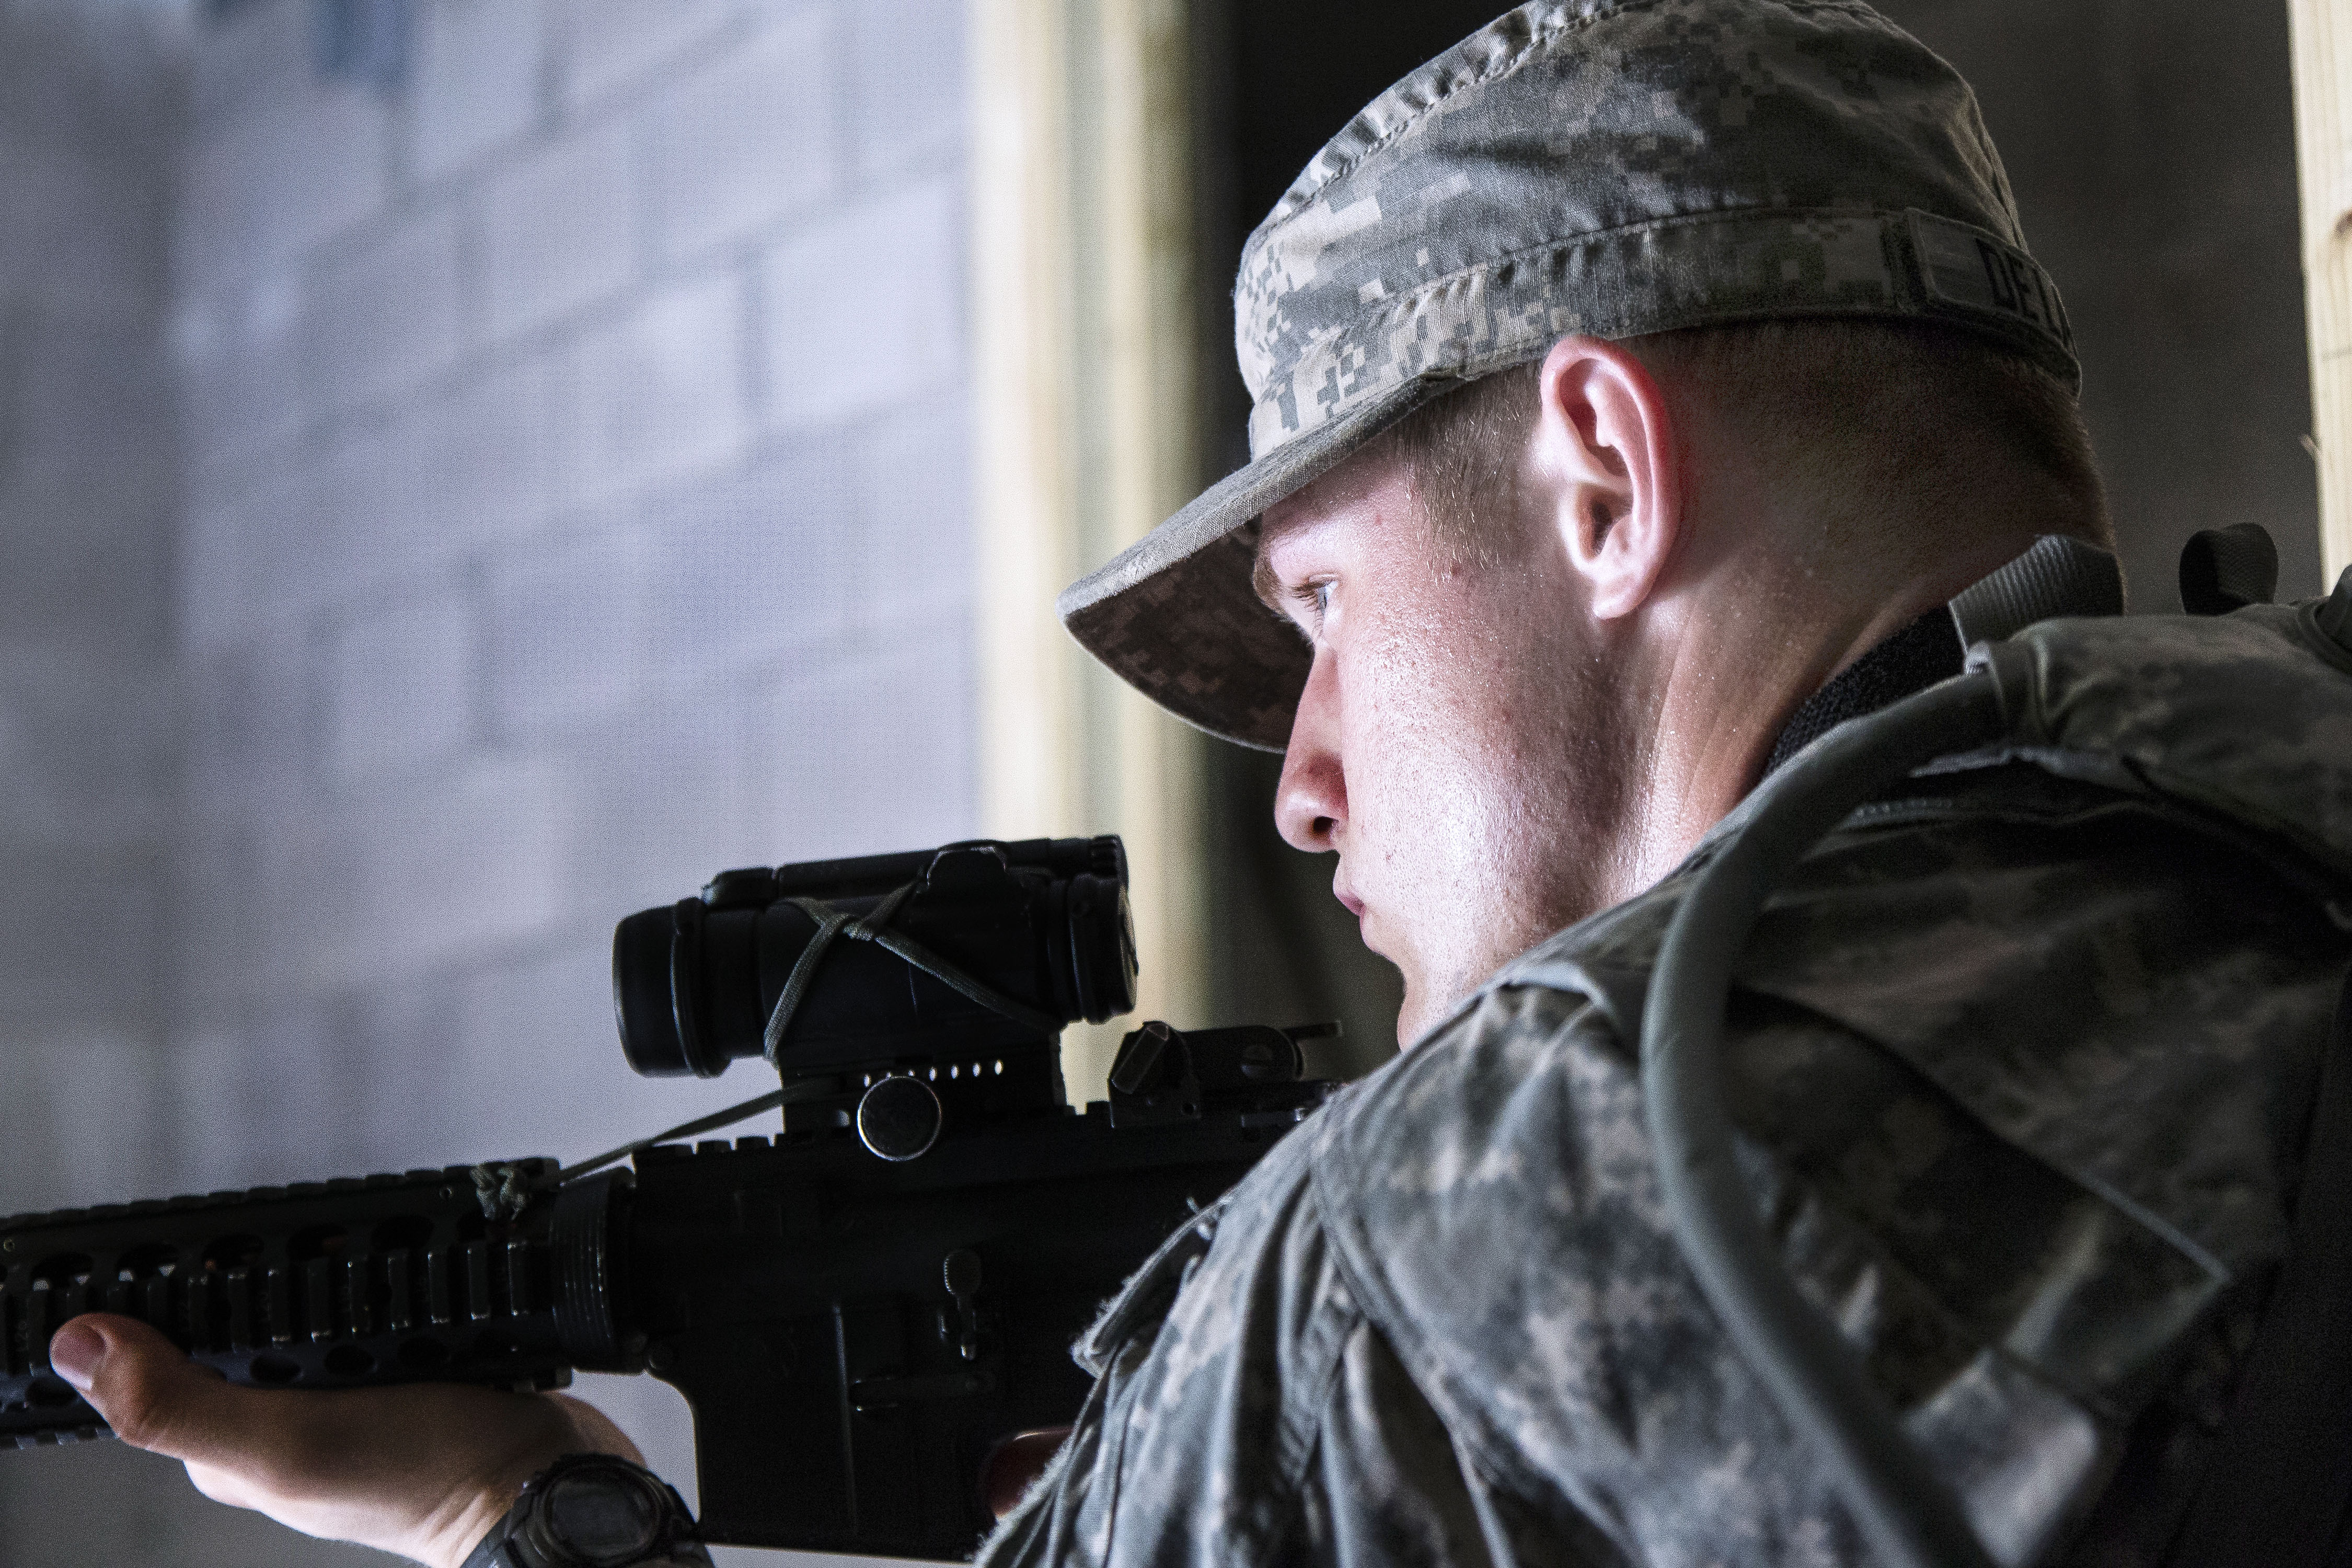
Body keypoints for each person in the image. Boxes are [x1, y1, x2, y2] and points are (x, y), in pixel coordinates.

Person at [42, 2, 2352, 1564]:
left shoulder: (1511, 1182)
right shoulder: (2277, 818)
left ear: (1604, 479)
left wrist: (524, 1517)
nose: (1302, 792)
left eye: (1325, 617)